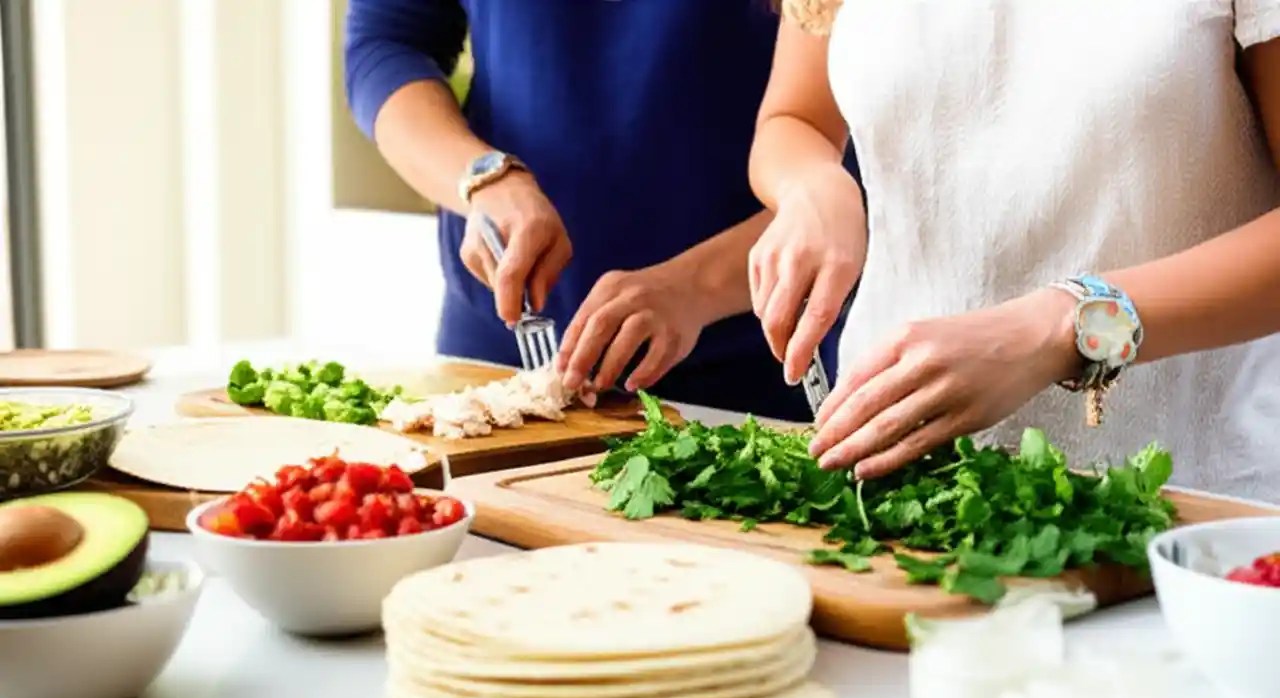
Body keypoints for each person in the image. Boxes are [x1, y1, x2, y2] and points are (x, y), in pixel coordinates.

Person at [750, 0, 1280, 499]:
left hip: (1186, 515)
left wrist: (1067, 327)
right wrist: (813, 187)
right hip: (893, 489)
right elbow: (797, 119)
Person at [343, 1, 853, 422]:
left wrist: (695, 287)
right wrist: (479, 177)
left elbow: (873, 159)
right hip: (496, 362)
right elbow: (385, 43)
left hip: (752, 374)